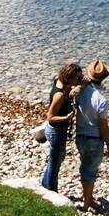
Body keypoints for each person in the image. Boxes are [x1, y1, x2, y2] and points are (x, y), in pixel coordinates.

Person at [72, 60, 109, 211]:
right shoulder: (101, 100)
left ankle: (87, 197)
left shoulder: (80, 91)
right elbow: (104, 127)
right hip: (94, 139)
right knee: (90, 172)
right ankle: (87, 203)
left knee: (84, 167)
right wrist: (108, 145)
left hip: (80, 136)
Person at [41, 63, 83, 193]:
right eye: (77, 78)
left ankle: (44, 185)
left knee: (57, 159)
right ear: (69, 79)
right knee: (55, 164)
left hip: (54, 130)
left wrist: (71, 93)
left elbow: (66, 95)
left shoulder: (58, 82)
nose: (79, 80)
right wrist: (67, 118)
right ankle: (51, 192)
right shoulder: (58, 95)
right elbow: (50, 117)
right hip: (56, 131)